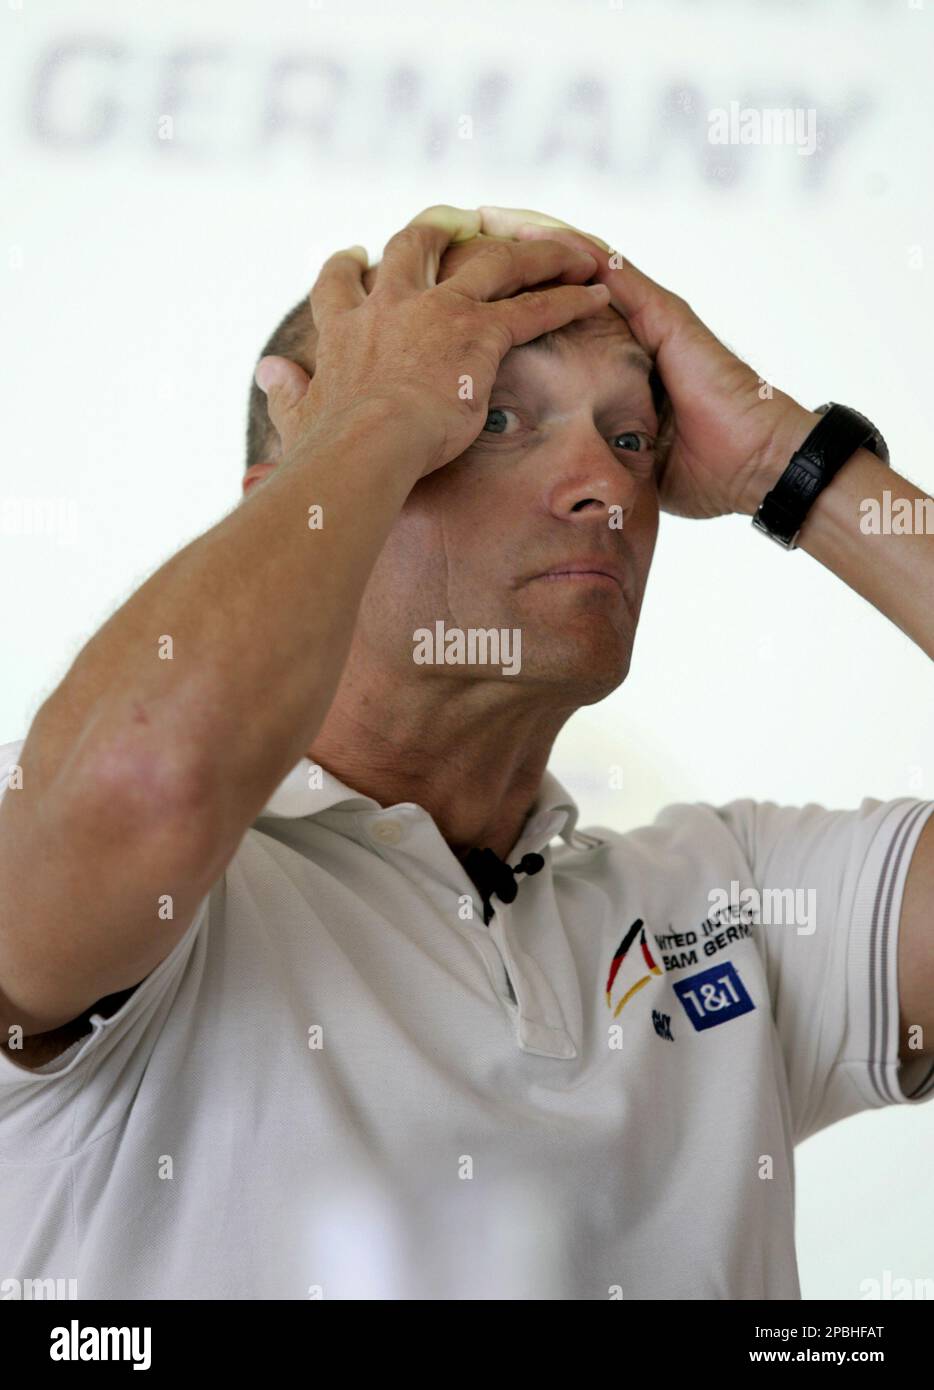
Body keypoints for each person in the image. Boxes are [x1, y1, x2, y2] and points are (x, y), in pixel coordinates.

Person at [0, 204, 931, 1301]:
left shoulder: (741, 904)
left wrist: (792, 459)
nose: (606, 485)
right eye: (489, 418)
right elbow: (144, 780)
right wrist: (376, 416)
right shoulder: (172, 910)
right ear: (299, 495)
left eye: (632, 436)